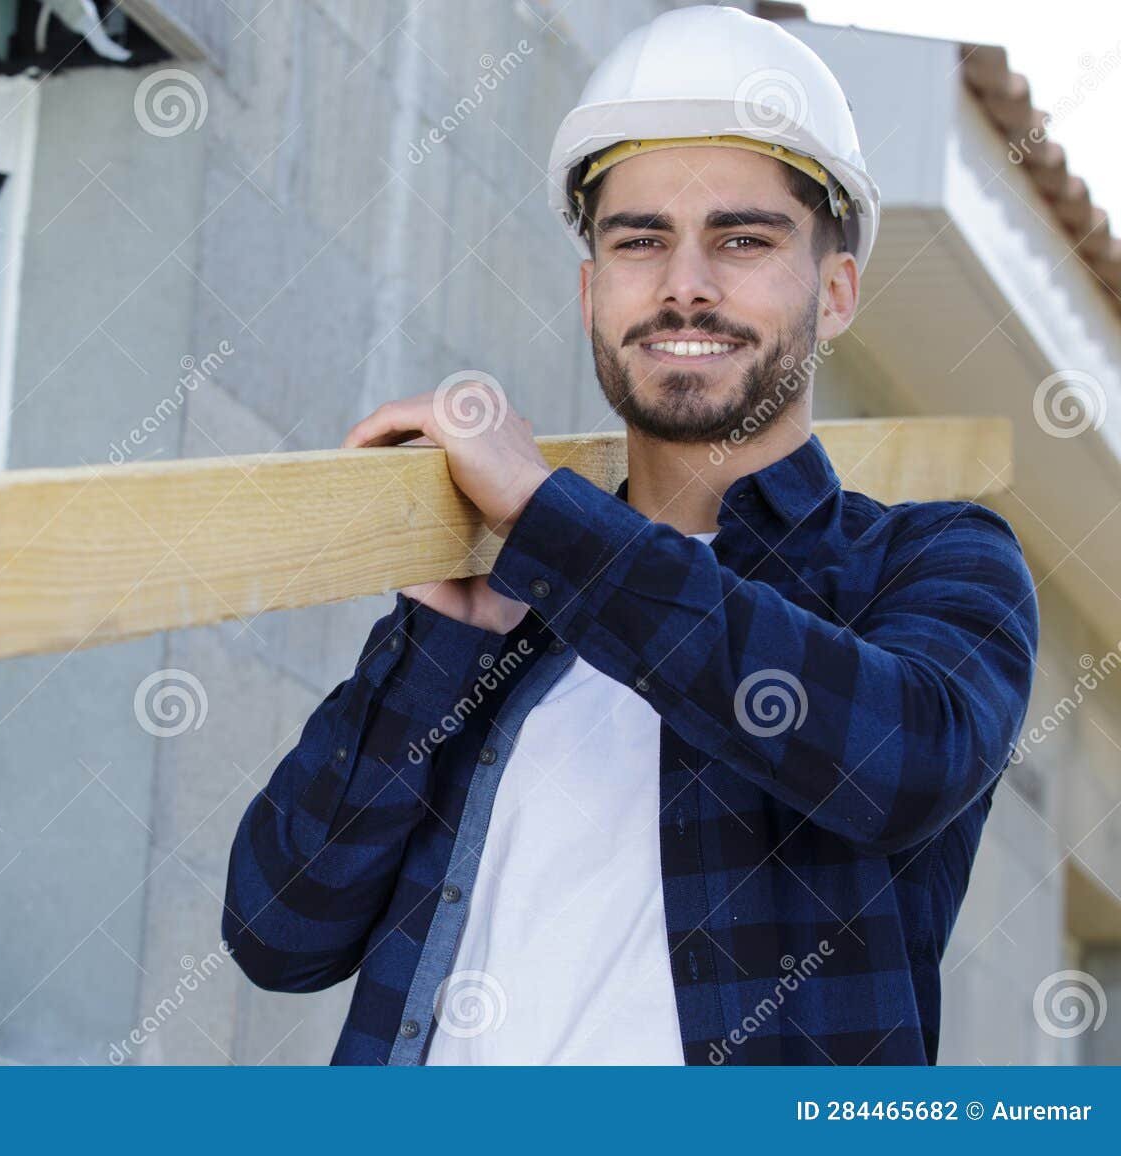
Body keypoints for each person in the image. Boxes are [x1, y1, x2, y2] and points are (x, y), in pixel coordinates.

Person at [221, 4, 1038, 1065]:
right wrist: (441, 644)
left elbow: (902, 760)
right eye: (639, 240)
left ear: (833, 293)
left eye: (741, 239)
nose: (683, 283)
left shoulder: (929, 564)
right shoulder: (512, 610)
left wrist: (548, 524)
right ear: (590, 290)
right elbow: (278, 930)